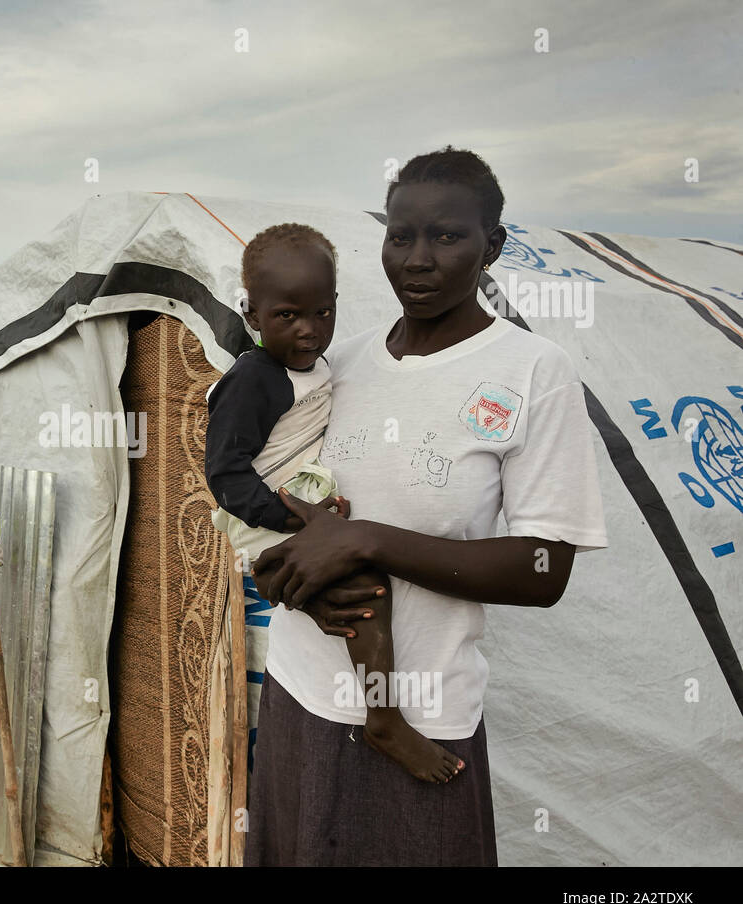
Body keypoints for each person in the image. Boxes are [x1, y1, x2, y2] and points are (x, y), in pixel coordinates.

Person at [245, 147, 608, 866]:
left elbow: (544, 570)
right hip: (299, 696)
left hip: (421, 719)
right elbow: (274, 506)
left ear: (491, 247)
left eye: (447, 237)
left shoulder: (533, 373)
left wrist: (367, 542)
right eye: (401, 235)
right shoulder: (331, 366)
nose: (418, 258)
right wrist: (292, 581)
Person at [206, 223, 465, 783]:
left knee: (354, 585)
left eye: (322, 313)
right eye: (288, 316)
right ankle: (383, 719)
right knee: (364, 590)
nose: (308, 330)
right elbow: (223, 474)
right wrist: (294, 518)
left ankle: (328, 632)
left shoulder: (320, 366)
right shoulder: (252, 378)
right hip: (258, 510)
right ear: (252, 316)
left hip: (294, 504)